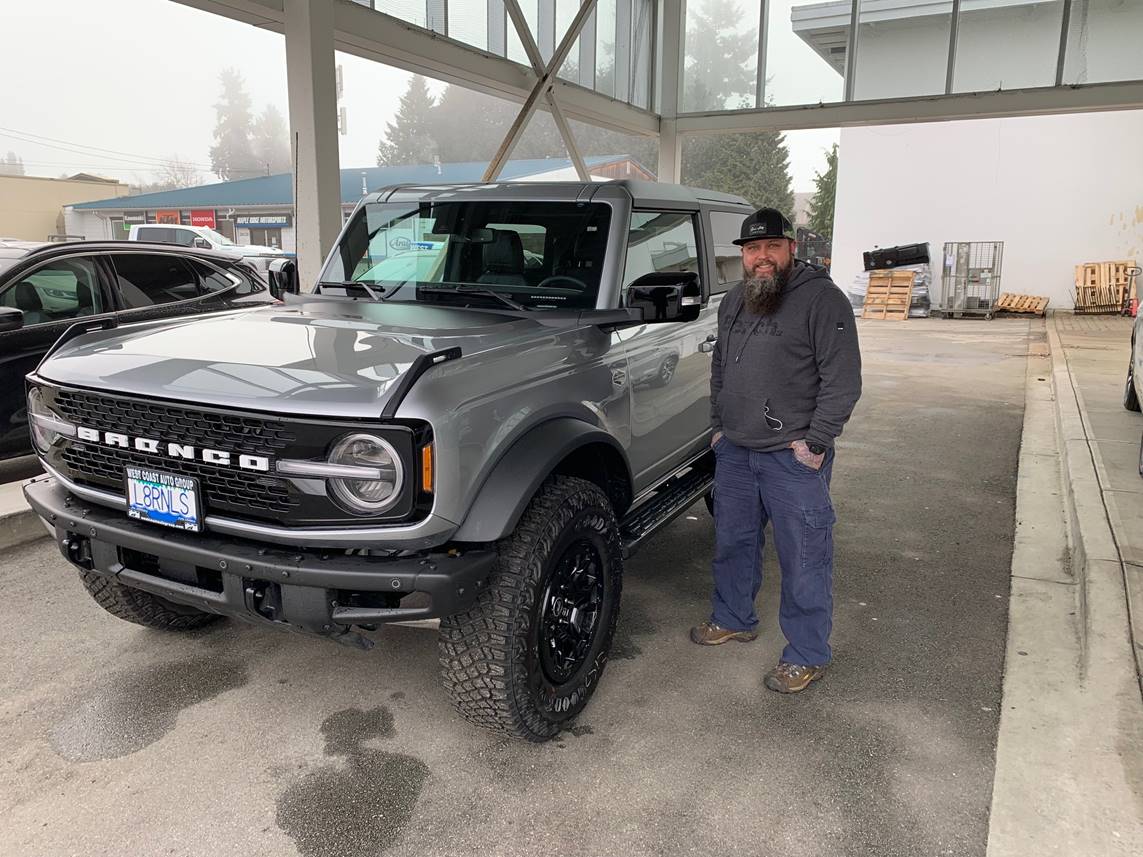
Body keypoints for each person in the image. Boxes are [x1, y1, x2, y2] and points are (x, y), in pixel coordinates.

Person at [691, 208, 862, 694]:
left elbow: (843, 380)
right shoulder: (735, 302)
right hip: (737, 452)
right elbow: (721, 366)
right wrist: (719, 428)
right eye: (751, 249)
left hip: (793, 458)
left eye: (771, 247)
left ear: (791, 248)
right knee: (732, 543)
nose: (761, 257)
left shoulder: (822, 301)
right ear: (742, 256)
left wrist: (816, 442)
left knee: (804, 556)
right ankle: (733, 617)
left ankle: (807, 653)